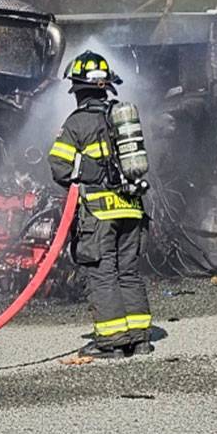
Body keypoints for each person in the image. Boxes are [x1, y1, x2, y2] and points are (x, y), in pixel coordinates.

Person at [48, 51, 152, 359]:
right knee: (128, 272)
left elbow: (59, 166)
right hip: (133, 209)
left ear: (78, 90)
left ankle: (112, 342)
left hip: (100, 214)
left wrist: (89, 173)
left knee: (103, 274)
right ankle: (140, 338)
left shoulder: (78, 123)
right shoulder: (120, 117)